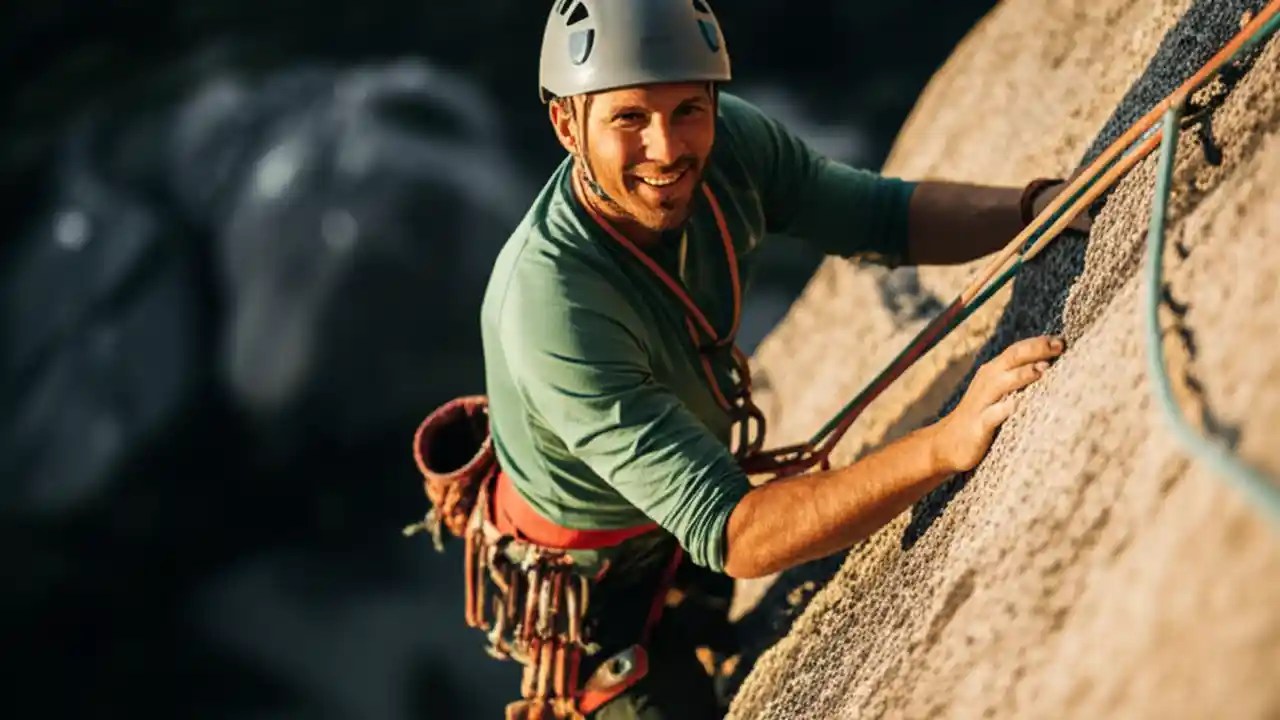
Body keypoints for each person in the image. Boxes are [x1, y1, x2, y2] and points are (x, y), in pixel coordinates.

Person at [458, 1, 1087, 717]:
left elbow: (877, 216)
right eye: (628, 119)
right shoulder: (553, 304)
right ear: (567, 125)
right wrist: (943, 445)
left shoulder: (732, 149)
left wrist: (1036, 207)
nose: (666, 148)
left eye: (688, 109)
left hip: (680, 519)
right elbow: (736, 531)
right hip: (603, 594)